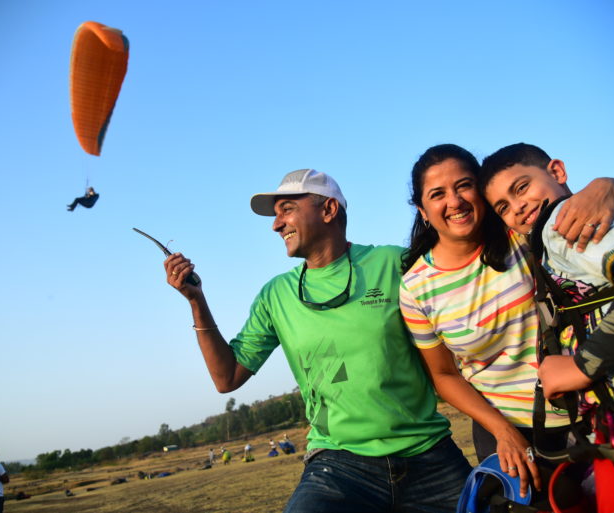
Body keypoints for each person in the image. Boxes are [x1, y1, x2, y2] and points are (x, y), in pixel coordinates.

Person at [164, 168, 472, 512]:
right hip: (340, 465)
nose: (276, 225)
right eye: (276, 214)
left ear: (328, 210)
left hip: (428, 455)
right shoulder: (276, 295)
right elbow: (227, 377)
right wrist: (196, 301)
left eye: (287, 209)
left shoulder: (393, 264)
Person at [398, 144, 614, 500]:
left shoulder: (522, 233)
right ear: (423, 209)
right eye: (438, 194)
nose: (454, 201)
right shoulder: (416, 287)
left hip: (591, 409)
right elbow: (444, 375)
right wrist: (502, 432)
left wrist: (606, 186)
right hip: (509, 430)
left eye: (464, 185)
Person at [480, 142, 614, 493]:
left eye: (522, 187)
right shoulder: (561, 228)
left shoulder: (561, 226)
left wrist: (580, 367)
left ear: (557, 172)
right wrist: (610, 184)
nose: (518, 206)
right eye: (503, 206)